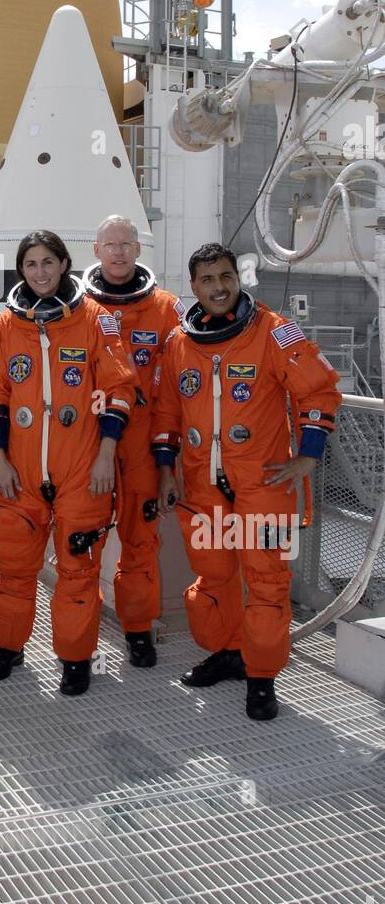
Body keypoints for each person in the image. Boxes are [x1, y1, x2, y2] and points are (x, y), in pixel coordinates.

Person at [152, 243, 343, 720]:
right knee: (214, 578)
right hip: (202, 487)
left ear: (238, 279)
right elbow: (167, 413)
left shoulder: (275, 333)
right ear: (193, 286)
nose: (218, 288)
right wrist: (165, 470)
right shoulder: (179, 342)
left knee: (266, 583)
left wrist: (309, 455)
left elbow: (319, 391)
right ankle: (230, 651)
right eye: (207, 280)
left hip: (263, 485)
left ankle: (262, 677)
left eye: (225, 277)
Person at [0, 231, 136, 695]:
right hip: (23, 473)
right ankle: (8, 646)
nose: (41, 272)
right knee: (14, 565)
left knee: (77, 569)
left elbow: (121, 391)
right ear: (21, 270)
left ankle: (74, 656)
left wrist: (107, 454)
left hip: (83, 469)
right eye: (31, 264)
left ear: (65, 263)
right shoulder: (7, 326)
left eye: (49, 262)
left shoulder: (96, 321)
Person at [84, 215, 183, 668]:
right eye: (110, 244)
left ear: (139, 250)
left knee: (141, 541)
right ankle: (78, 640)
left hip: (142, 444)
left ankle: (138, 629)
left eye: (127, 243)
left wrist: (167, 455)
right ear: (96, 250)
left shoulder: (165, 309)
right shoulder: (78, 306)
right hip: (89, 443)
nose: (119, 252)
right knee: (82, 541)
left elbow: (177, 386)